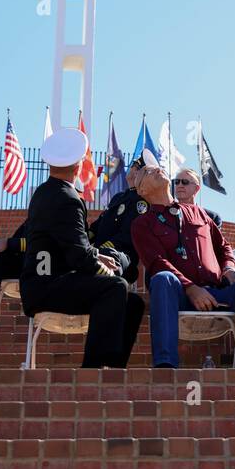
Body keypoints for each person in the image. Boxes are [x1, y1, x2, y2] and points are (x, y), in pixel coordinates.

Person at [19, 126, 144, 367]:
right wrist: (104, 267)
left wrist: (95, 254)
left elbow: (67, 244)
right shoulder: (68, 198)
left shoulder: (44, 193)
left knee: (133, 303)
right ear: (78, 167)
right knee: (115, 286)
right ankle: (93, 369)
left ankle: (113, 369)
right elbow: (78, 256)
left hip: (42, 283)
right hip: (48, 286)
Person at [132, 163, 235, 368]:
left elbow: (223, 247)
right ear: (142, 190)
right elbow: (157, 262)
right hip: (179, 297)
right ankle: (165, 365)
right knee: (162, 279)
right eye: (148, 172)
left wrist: (229, 267)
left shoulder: (200, 214)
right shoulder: (142, 223)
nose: (157, 169)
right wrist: (191, 288)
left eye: (158, 167)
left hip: (217, 293)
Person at [86, 159, 148, 283]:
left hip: (121, 254)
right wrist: (84, 240)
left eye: (136, 167)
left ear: (140, 174)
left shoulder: (141, 201)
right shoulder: (119, 197)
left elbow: (128, 234)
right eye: (132, 166)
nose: (132, 169)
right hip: (100, 251)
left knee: (105, 255)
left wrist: (99, 249)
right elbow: (99, 224)